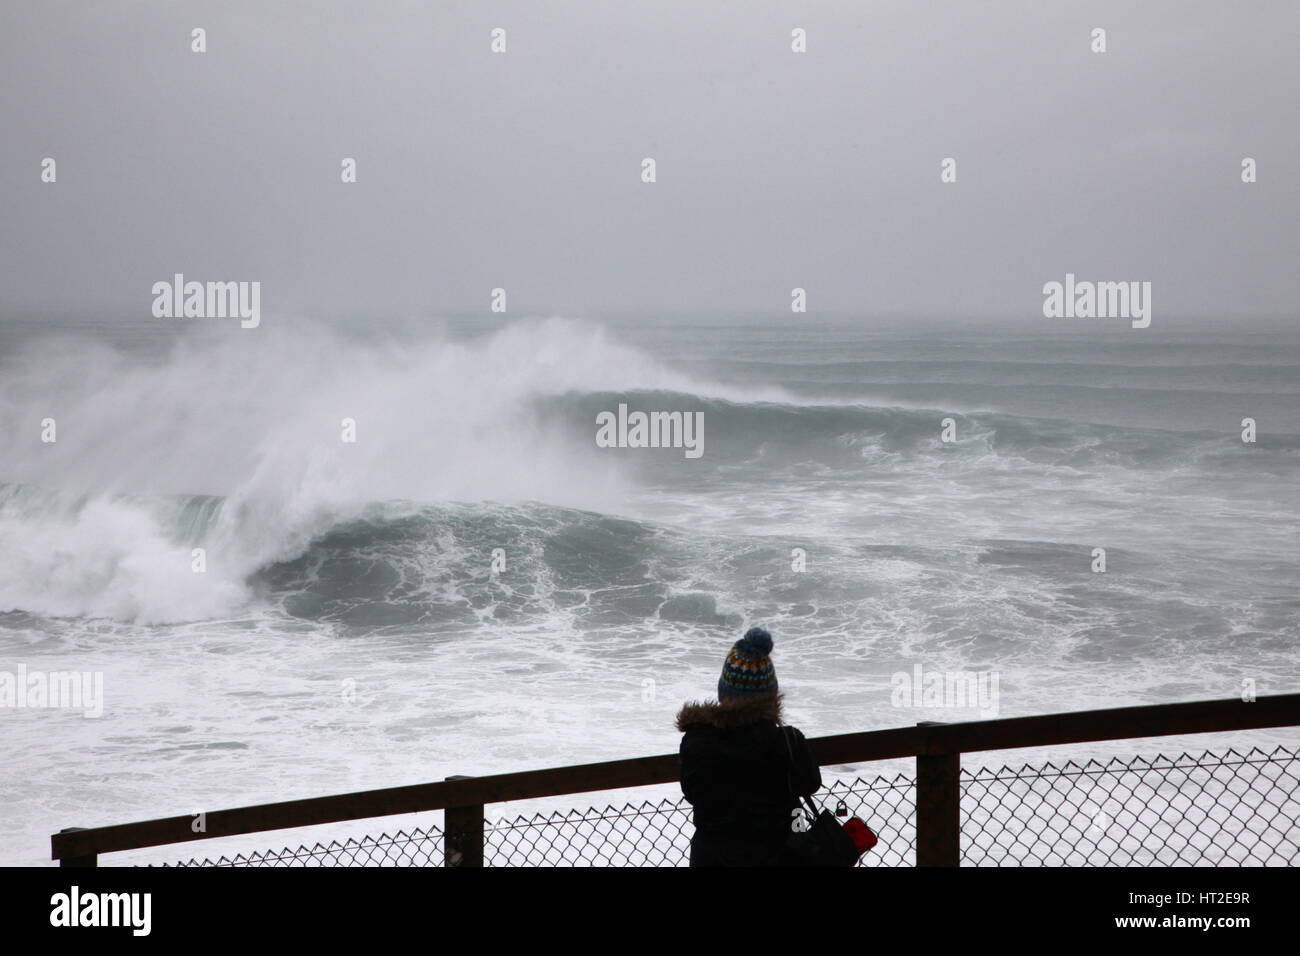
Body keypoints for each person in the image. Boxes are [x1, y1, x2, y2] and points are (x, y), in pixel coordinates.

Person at [676, 626, 822, 866]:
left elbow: (692, 792)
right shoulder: (787, 740)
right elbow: (810, 783)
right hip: (779, 853)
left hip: (713, 856)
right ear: (770, 696)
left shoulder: (696, 741)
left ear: (724, 691)